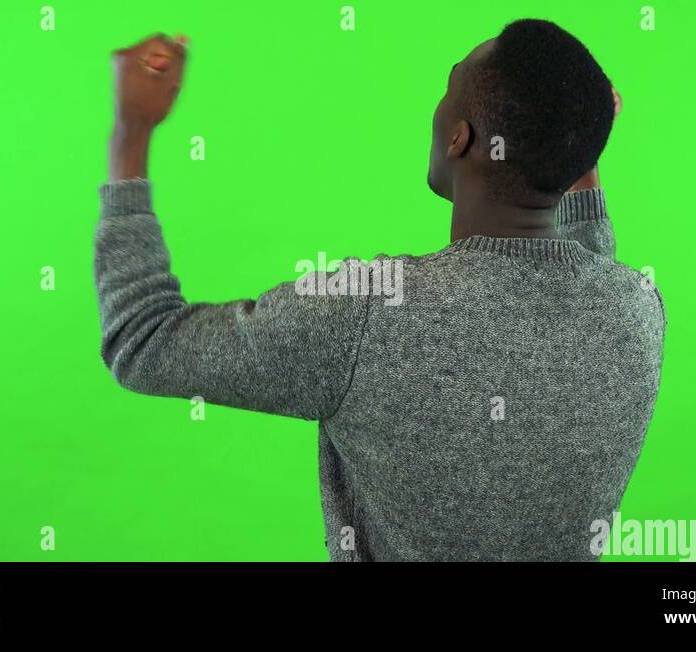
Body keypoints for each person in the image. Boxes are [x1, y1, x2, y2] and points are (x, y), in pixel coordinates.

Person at [94, 19, 665, 561]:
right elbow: (587, 282)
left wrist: (130, 133)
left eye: (450, 85)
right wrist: (575, 147)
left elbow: (143, 341)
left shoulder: (369, 313)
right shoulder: (637, 311)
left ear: (459, 139)